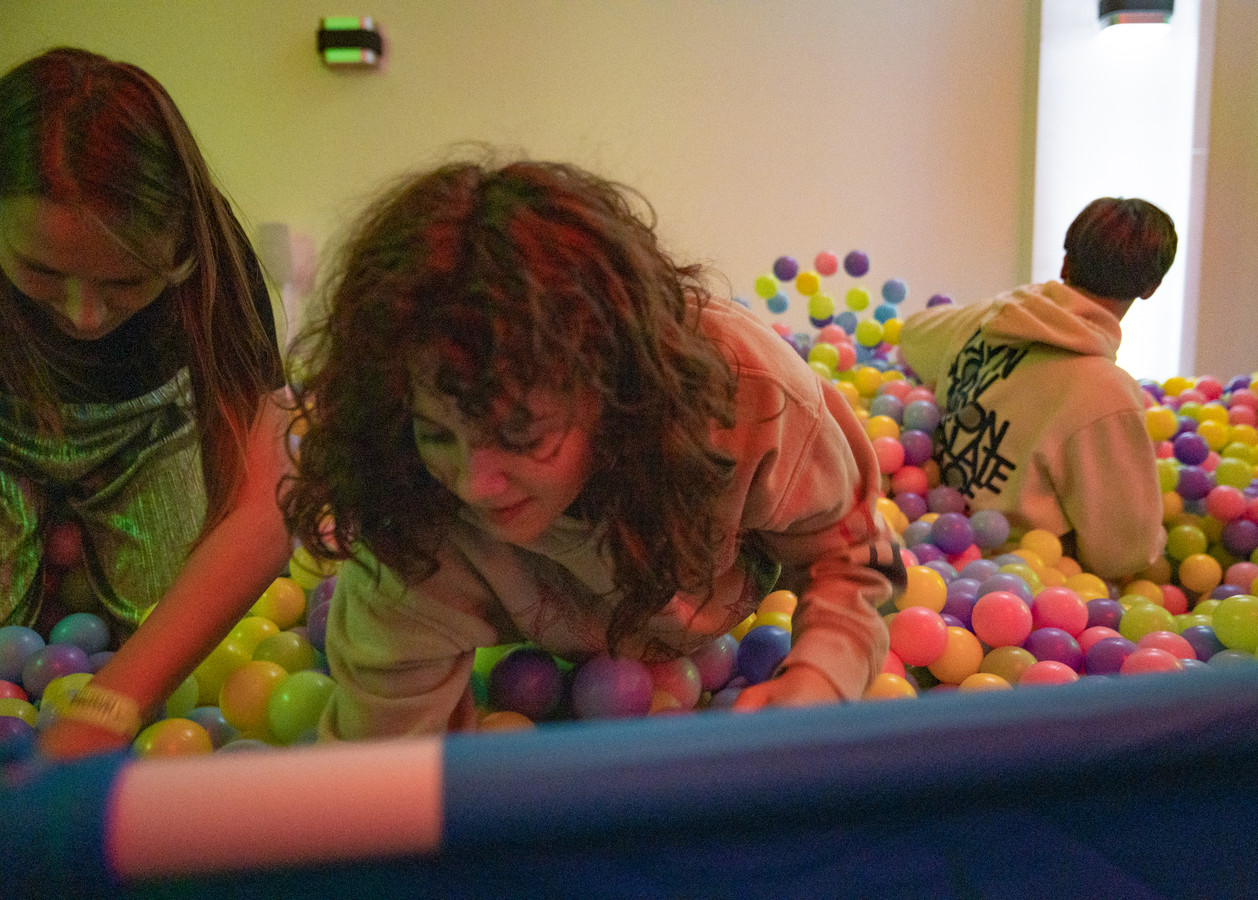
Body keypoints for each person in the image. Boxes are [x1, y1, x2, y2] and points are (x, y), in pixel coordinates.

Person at [283, 155, 901, 739]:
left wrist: (818, 678)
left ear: (613, 391)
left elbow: (849, 554)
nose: (474, 482)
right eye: (437, 433)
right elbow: (383, 768)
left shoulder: (744, 401)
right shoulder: (415, 524)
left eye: (521, 435)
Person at [0, 48, 292, 757]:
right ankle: (55, 552)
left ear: (182, 243)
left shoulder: (217, 271)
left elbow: (264, 502)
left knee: (165, 619)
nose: (87, 315)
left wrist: (111, 700)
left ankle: (75, 555)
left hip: (149, 428)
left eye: (128, 281)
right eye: (41, 271)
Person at [898, 197, 1177, 581]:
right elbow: (1123, 556)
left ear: (1066, 262)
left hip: (932, 541)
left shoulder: (998, 316)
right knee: (1160, 571)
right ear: (1151, 288)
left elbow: (912, 335)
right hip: (1027, 586)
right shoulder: (1107, 394)